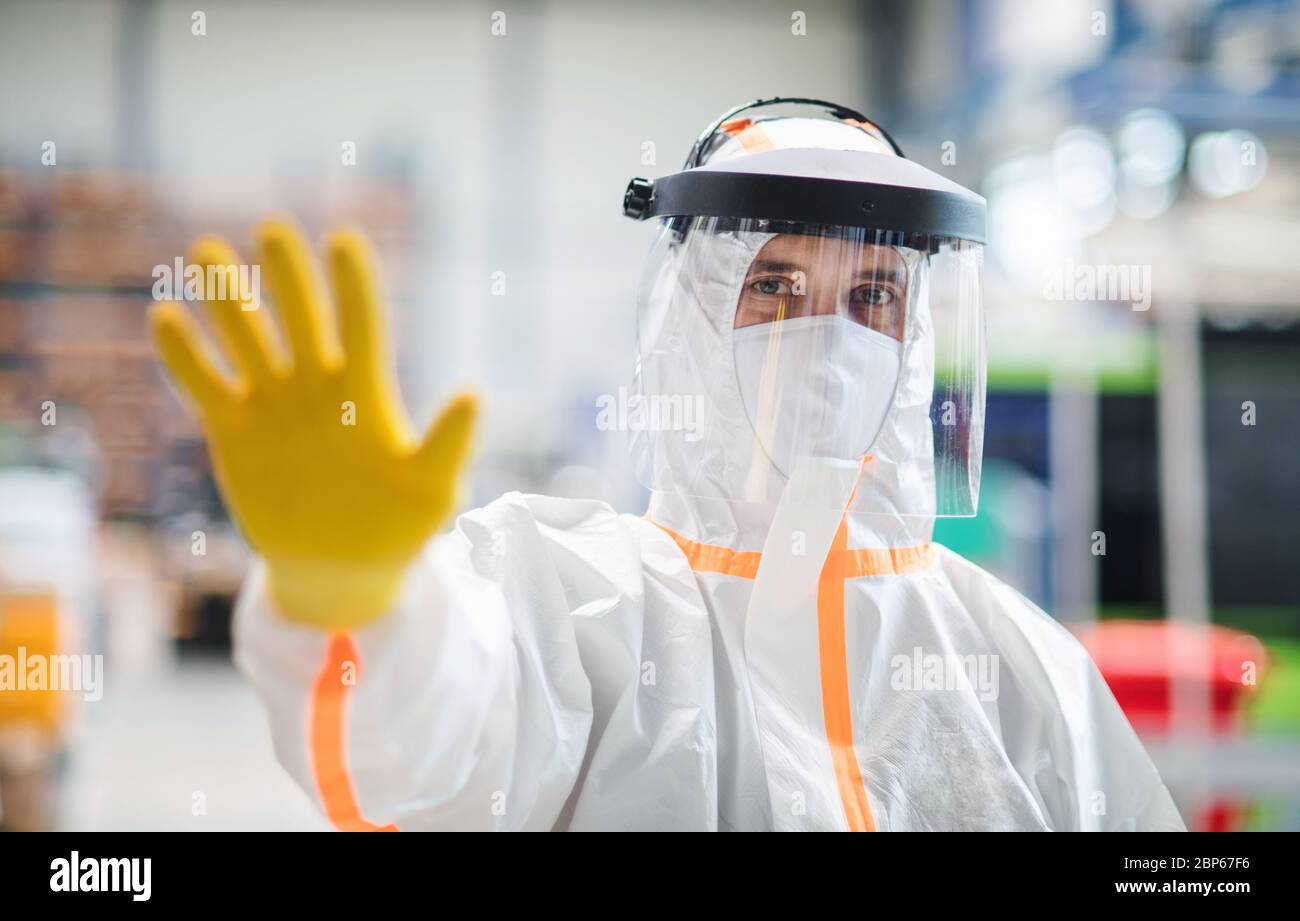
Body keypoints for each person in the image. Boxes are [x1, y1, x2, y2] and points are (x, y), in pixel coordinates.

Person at [150, 99, 1185, 831]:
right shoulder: (567, 601)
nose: (829, 338)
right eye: (774, 285)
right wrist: (364, 600)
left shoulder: (1021, 667)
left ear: (916, 340)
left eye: (874, 295)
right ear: (689, 318)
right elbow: (418, 755)